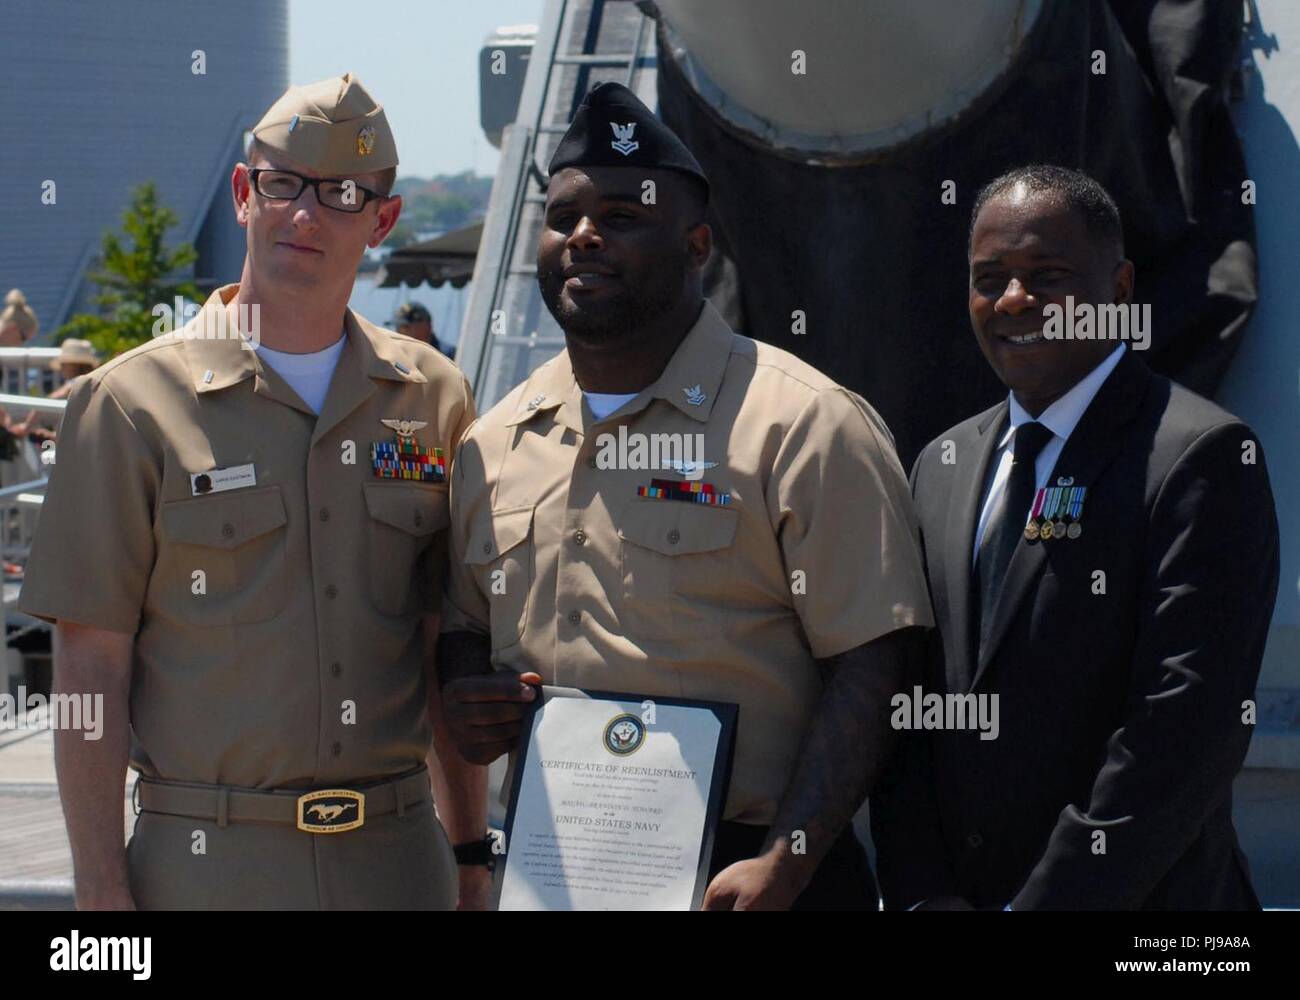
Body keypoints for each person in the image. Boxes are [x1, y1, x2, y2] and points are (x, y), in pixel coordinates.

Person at [437, 82, 934, 910]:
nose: (586, 237)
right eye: (564, 219)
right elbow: (462, 622)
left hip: (750, 875)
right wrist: (466, 696)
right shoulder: (496, 442)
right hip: (554, 862)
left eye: (624, 218)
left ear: (696, 243)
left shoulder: (801, 424)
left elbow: (878, 660)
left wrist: (791, 857)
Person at [18, 73, 490, 910]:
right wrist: (98, 890)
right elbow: (90, 669)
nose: (305, 214)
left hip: (397, 865)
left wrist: (469, 853)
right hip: (205, 868)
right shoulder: (130, 406)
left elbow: (441, 640)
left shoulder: (433, 399)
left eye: (342, 193)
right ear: (244, 193)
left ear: (382, 219)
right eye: (282, 185)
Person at [872, 165, 1280, 910]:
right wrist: (924, 895)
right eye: (989, 276)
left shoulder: (1198, 457)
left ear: (1119, 292)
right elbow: (912, 704)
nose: (1016, 299)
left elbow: (1181, 736)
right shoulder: (943, 464)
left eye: (1048, 275)